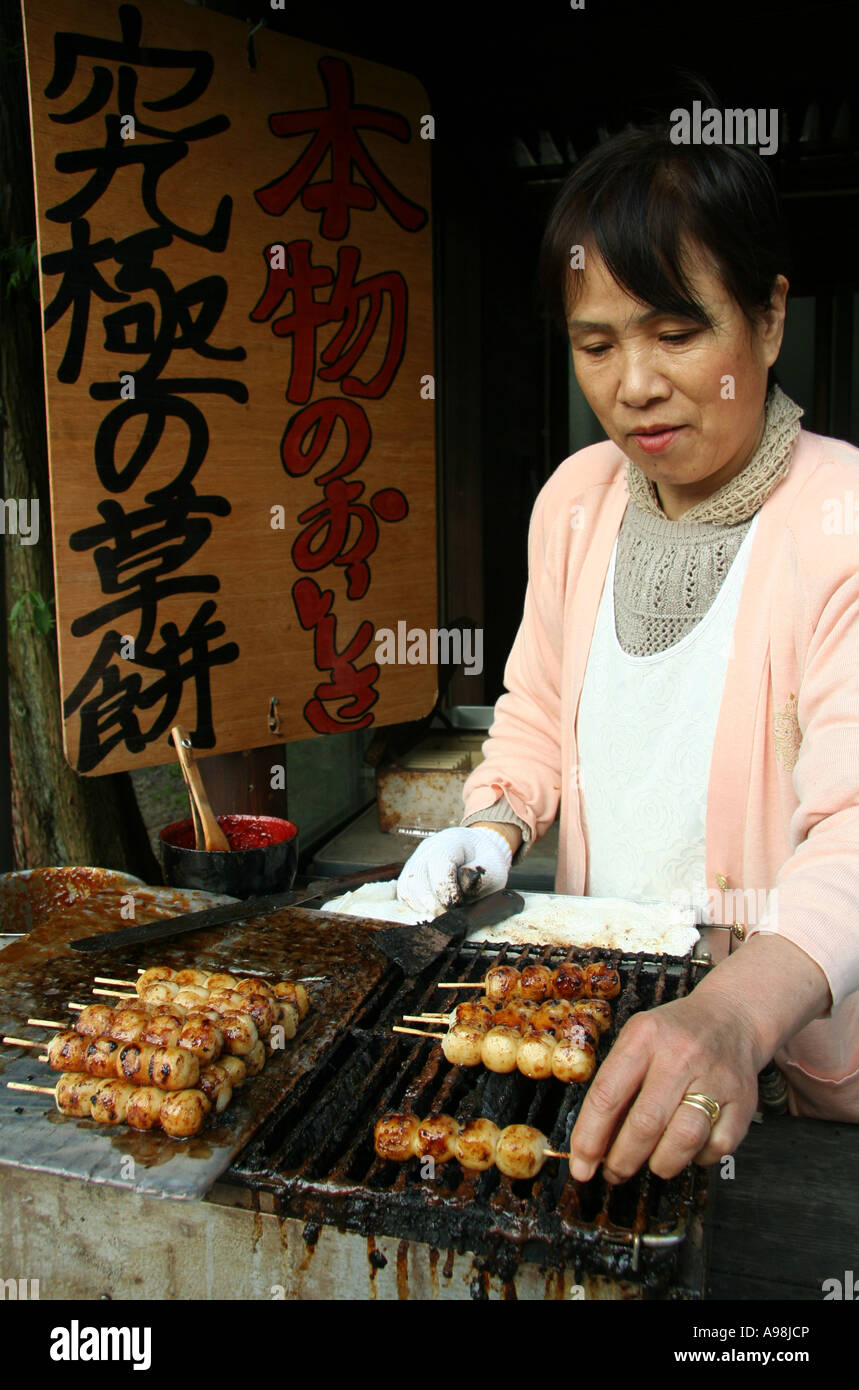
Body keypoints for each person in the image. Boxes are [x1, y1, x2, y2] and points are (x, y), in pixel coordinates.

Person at [397, 121, 859, 1185]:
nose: (634, 384)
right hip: (596, 1026)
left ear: (770, 316)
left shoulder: (838, 519)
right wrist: (494, 822)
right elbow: (537, 709)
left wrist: (736, 1017)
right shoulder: (574, 501)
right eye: (595, 344)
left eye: (676, 332)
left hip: (774, 1066)